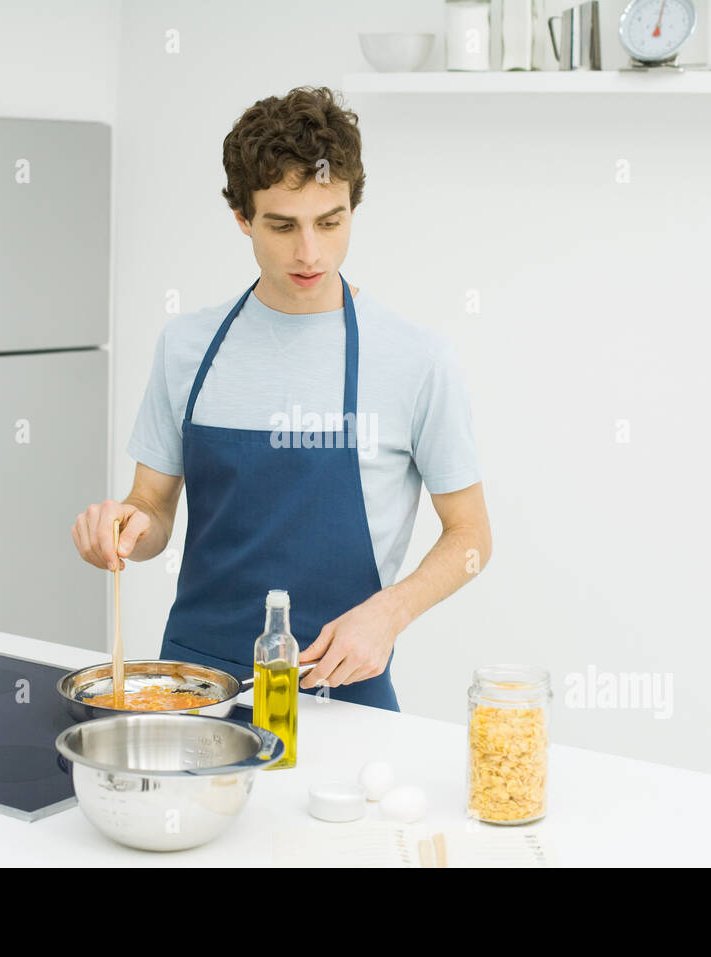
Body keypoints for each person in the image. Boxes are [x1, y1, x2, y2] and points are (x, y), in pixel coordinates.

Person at [72, 86, 491, 711]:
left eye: (330, 221)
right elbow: (152, 509)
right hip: (190, 689)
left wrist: (390, 614)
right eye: (282, 225)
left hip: (338, 687)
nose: (310, 253)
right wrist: (123, 526)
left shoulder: (415, 360)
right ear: (242, 218)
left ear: (353, 206)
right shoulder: (186, 346)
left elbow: (472, 537)